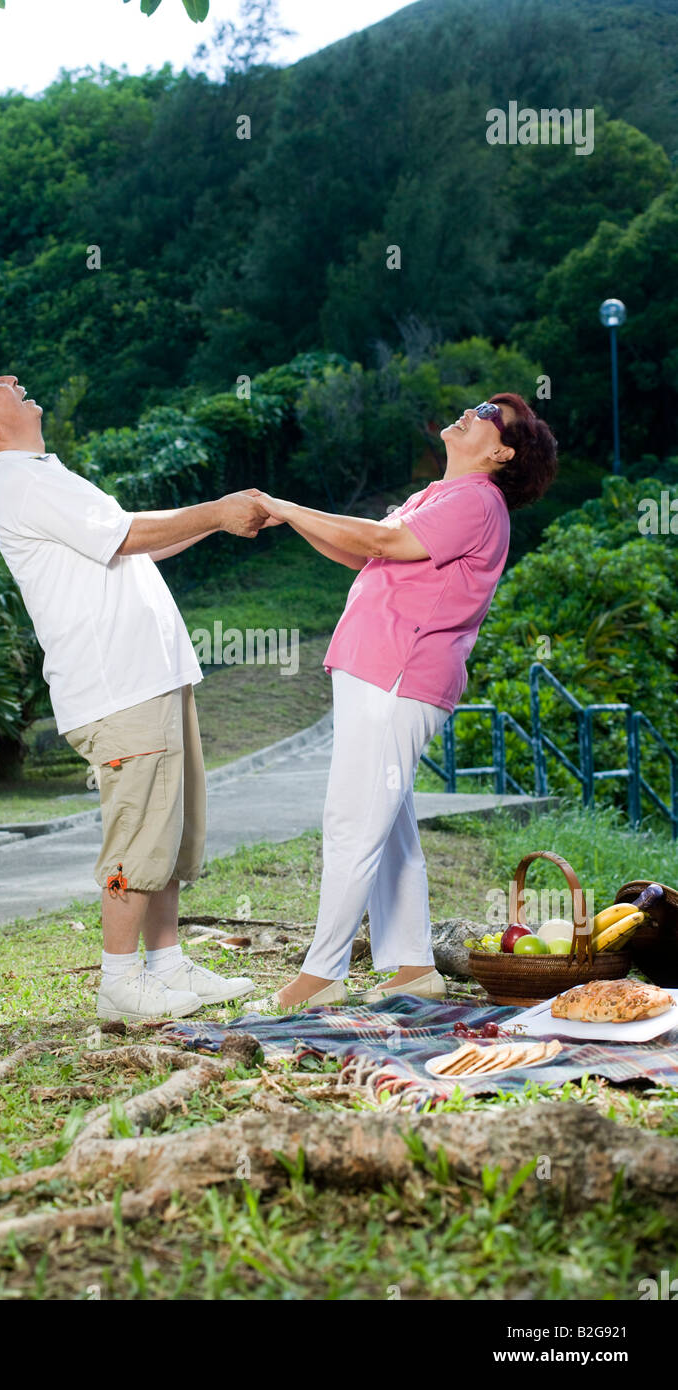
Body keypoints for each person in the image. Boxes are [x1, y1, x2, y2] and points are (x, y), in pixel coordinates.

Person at [0, 370, 269, 1021]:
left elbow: (130, 535)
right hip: (119, 688)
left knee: (165, 835)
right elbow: (129, 535)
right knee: (136, 839)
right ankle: (119, 981)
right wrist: (220, 511)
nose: (13, 379)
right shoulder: (22, 481)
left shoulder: (45, 473)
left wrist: (219, 522)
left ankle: (167, 965)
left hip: (154, 676)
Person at [250, 394, 558, 1013]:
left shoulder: (476, 500)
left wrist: (282, 506)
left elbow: (383, 543)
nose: (471, 412)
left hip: (398, 673)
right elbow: (367, 549)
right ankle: (413, 965)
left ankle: (322, 974)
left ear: (501, 453)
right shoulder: (438, 496)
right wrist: (292, 519)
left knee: (352, 819)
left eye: (488, 415)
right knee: (388, 826)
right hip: (379, 669)